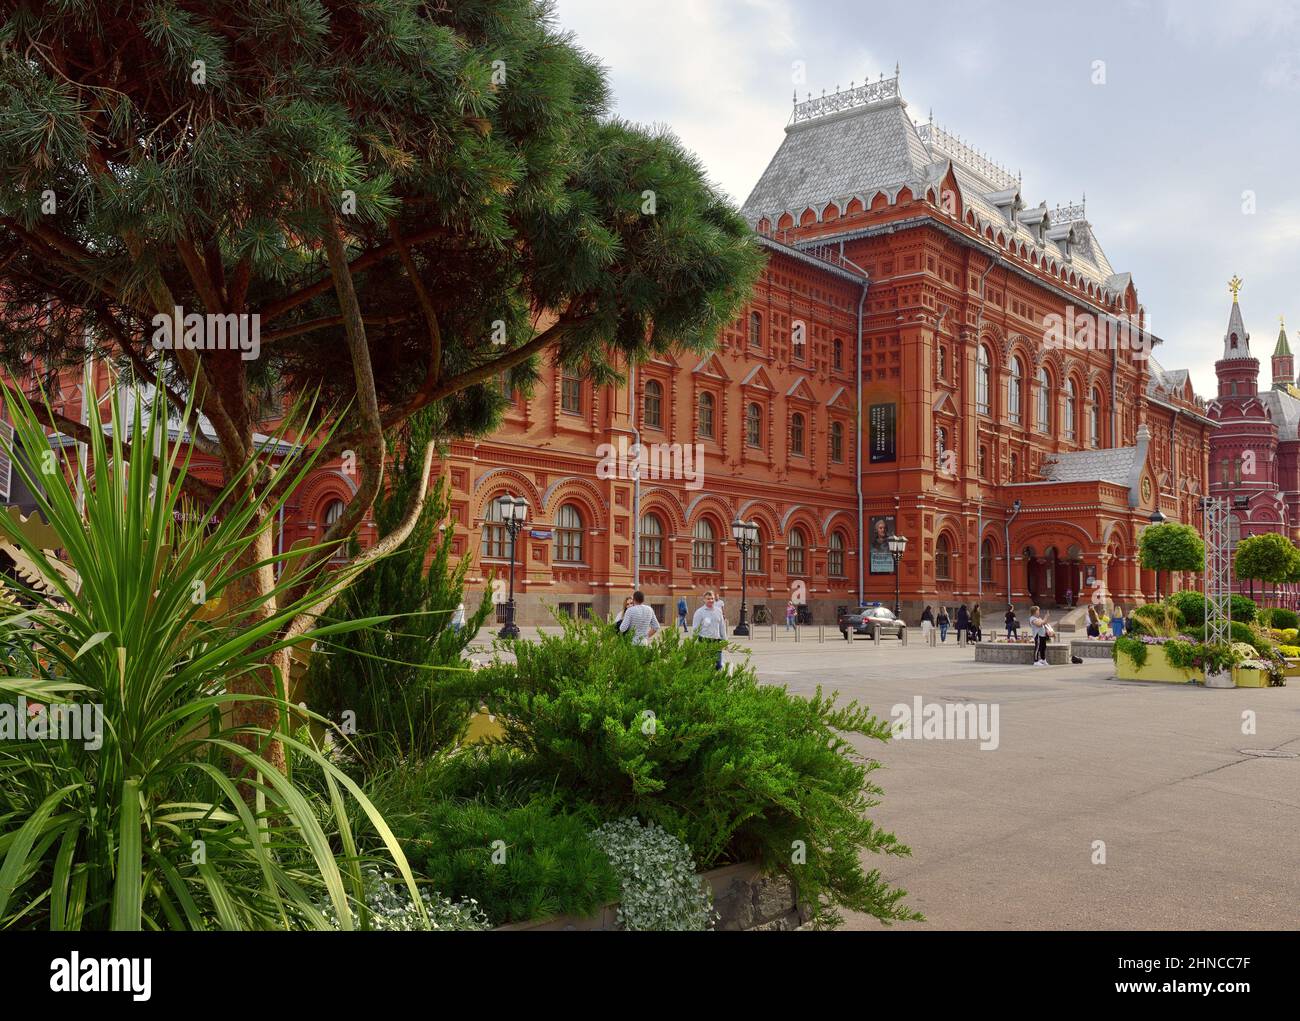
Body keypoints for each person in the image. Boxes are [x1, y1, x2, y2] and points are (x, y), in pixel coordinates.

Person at [692, 590, 727, 669]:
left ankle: (717, 680)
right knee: (705, 664)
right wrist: (694, 643)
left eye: (712, 598)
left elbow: (722, 626)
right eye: (708, 599)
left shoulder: (718, 611)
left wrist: (725, 639)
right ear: (704, 600)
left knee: (718, 665)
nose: (711, 600)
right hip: (704, 641)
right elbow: (695, 629)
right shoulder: (699, 612)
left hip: (717, 641)